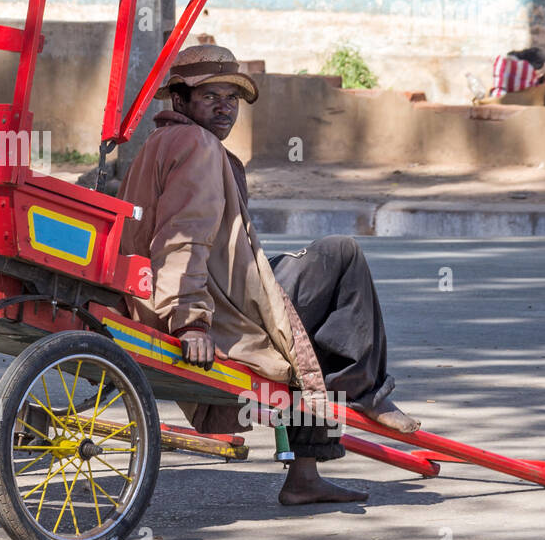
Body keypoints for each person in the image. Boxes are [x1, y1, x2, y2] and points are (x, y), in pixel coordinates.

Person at [117, 43, 419, 505]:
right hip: (207, 308)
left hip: (198, 293)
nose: (224, 107)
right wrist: (190, 318)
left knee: (305, 302)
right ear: (179, 101)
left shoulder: (163, 143)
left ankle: (305, 476)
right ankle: (367, 394)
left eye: (232, 98)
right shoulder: (195, 145)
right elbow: (183, 236)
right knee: (341, 256)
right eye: (210, 96)